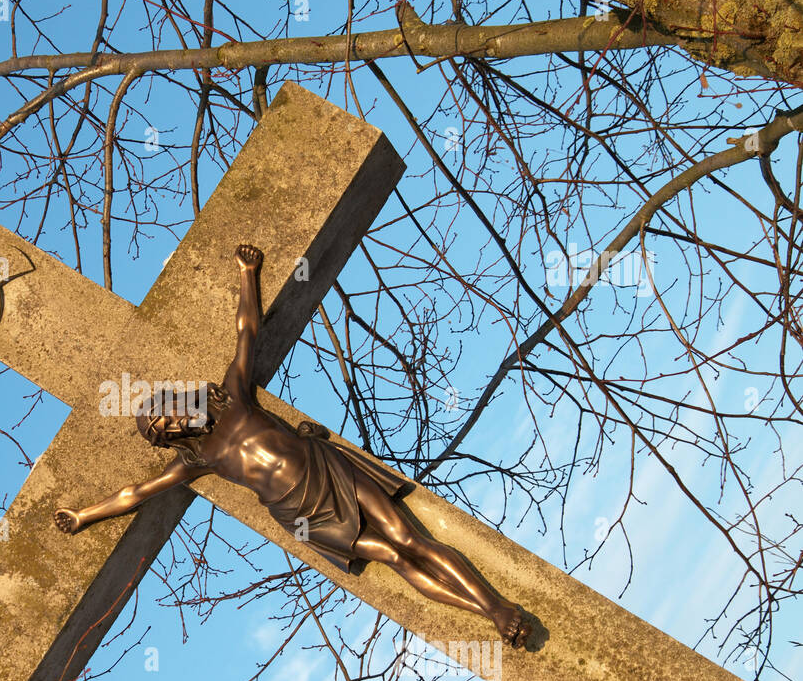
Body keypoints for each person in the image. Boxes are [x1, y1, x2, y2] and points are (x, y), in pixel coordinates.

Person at [54, 244, 531, 648]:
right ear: (170, 436)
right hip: (300, 516)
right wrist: (84, 516)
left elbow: (247, 333)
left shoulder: (232, 396)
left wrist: (247, 274)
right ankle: (488, 615)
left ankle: (496, 607)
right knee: (391, 557)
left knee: (411, 539)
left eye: (167, 408)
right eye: (163, 425)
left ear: (179, 400)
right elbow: (137, 492)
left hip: (324, 471)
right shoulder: (196, 459)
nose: (172, 419)